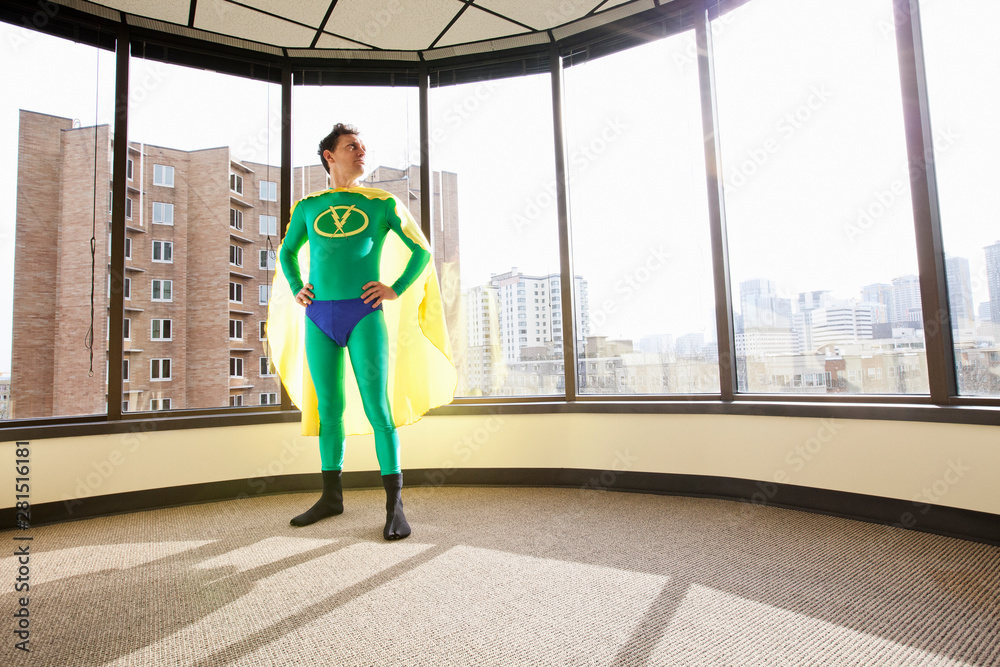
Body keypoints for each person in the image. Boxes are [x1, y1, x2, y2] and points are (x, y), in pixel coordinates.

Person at [267, 123, 455, 540]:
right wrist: (298, 288)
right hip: (318, 317)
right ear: (330, 156)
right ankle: (331, 497)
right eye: (352, 146)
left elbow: (421, 250)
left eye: (364, 146)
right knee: (328, 410)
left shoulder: (382, 202)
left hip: (365, 315)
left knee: (378, 410)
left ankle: (395, 507)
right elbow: (287, 251)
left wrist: (395, 288)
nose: (361, 152)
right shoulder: (308, 207)